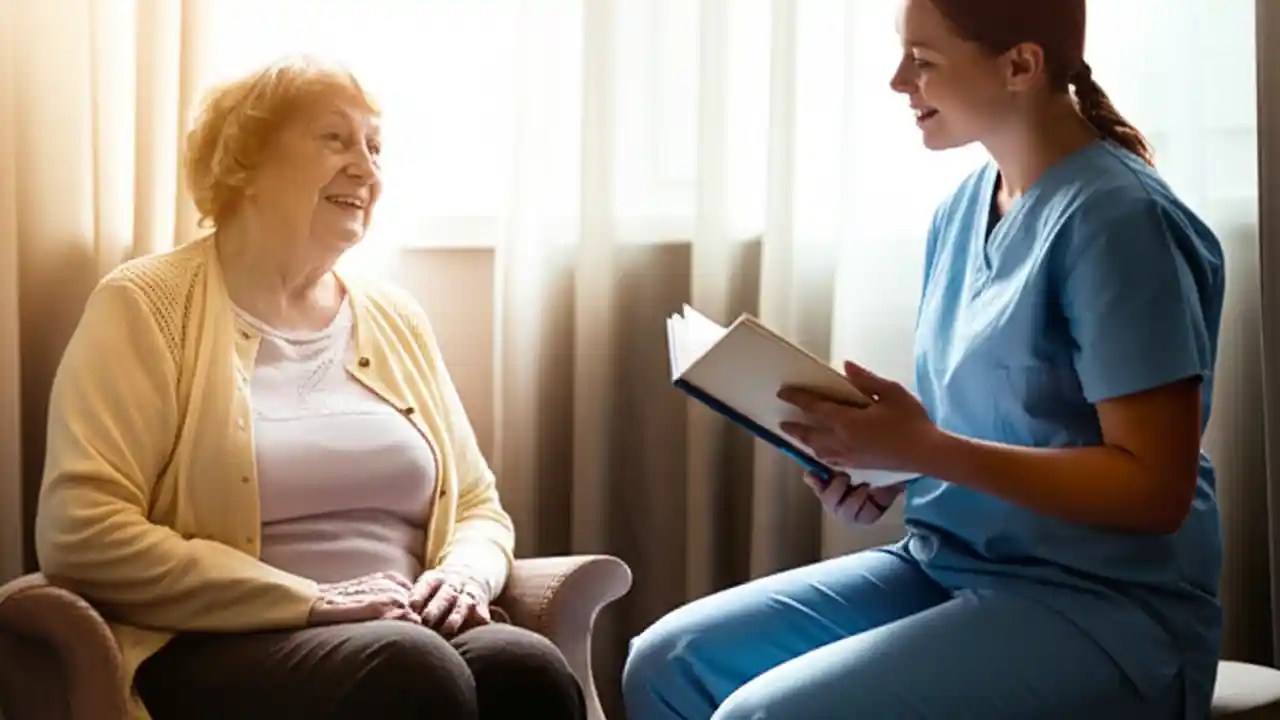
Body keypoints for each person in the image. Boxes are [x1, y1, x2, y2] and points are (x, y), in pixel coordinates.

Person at [623, 0, 1224, 718]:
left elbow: (1154, 490)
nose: (898, 81)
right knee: (667, 662)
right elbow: (996, 427)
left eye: (924, 61)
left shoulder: (1121, 223)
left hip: (1103, 609)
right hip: (948, 563)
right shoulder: (962, 211)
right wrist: (886, 467)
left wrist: (931, 451)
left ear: (1020, 66)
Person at [34, 57, 584, 720]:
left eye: (374, 148)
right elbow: (82, 532)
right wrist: (309, 600)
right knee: (411, 672)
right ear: (244, 160)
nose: (365, 167)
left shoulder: (394, 315)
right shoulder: (146, 305)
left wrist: (466, 574)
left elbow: (476, 505)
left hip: (404, 626)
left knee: (528, 670)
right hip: (225, 641)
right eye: (335, 139)